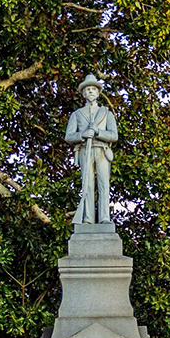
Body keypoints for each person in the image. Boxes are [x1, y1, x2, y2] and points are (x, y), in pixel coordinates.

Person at [65, 74, 118, 225]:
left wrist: (98, 133)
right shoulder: (77, 114)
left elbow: (114, 135)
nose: (90, 92)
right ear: (83, 93)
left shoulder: (106, 113)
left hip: (101, 150)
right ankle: (88, 218)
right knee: (87, 185)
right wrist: (82, 134)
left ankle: (104, 218)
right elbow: (69, 136)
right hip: (85, 151)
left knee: (103, 185)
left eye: (93, 89)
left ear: (98, 92)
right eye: (87, 89)